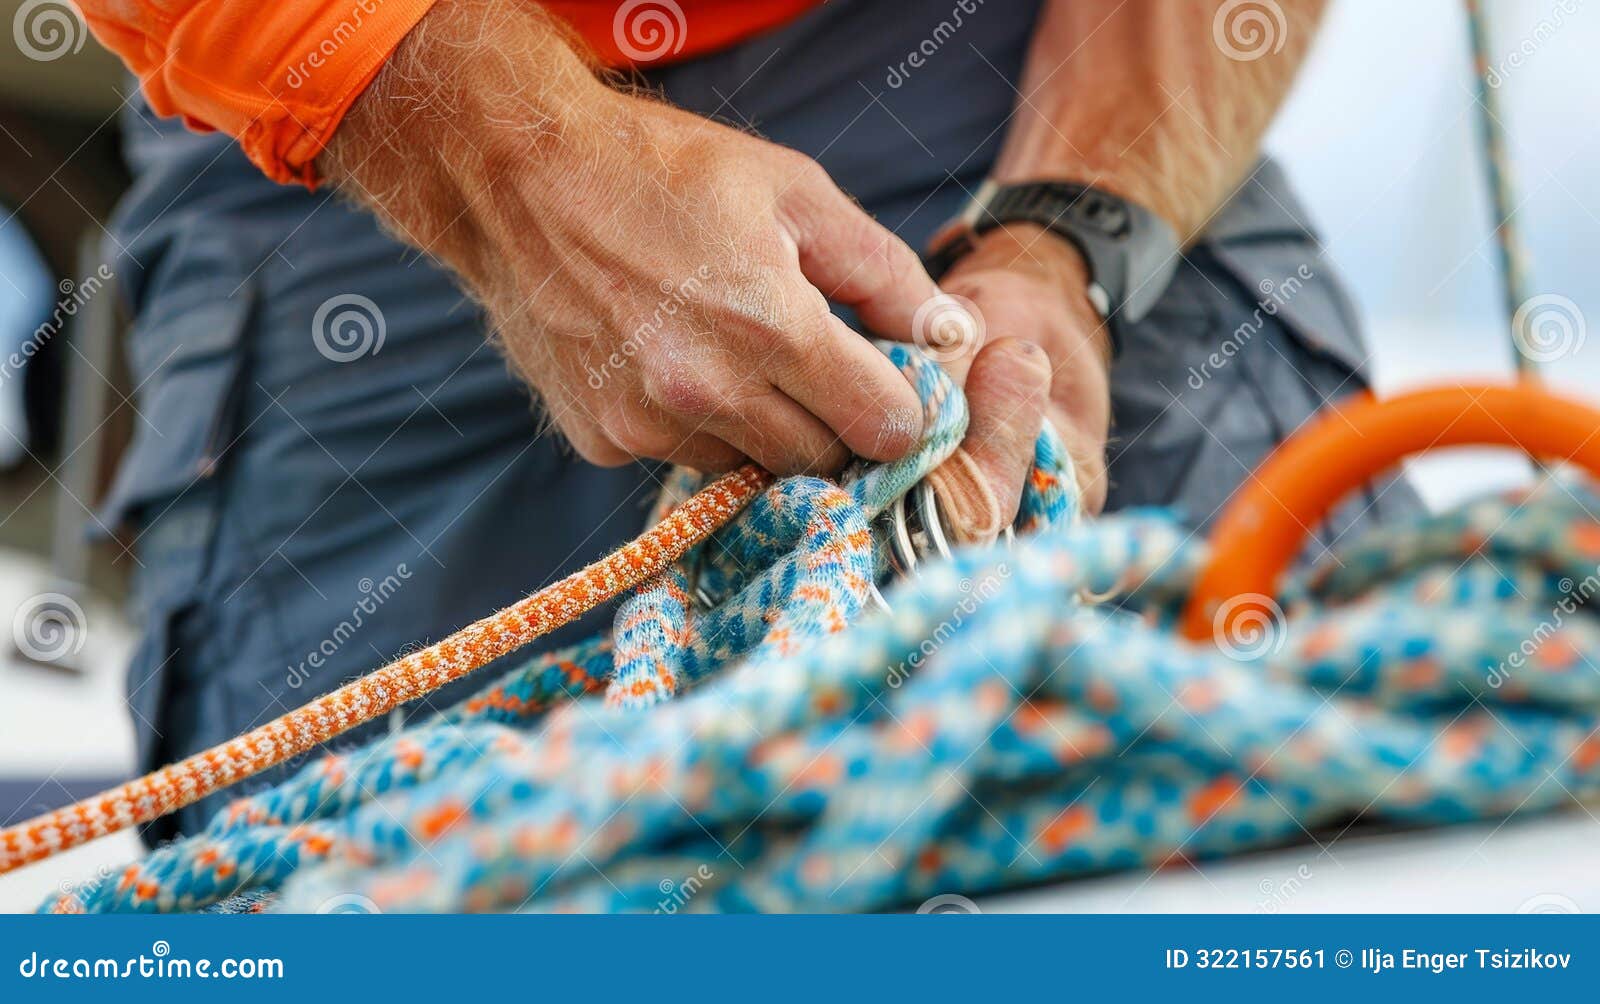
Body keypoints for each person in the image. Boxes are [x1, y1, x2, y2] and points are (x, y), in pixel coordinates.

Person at [74, 0, 1412, 840]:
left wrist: (1074, 232)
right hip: (344, 113)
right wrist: (509, 157)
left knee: (1371, 796)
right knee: (367, 891)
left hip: (1017, 66)